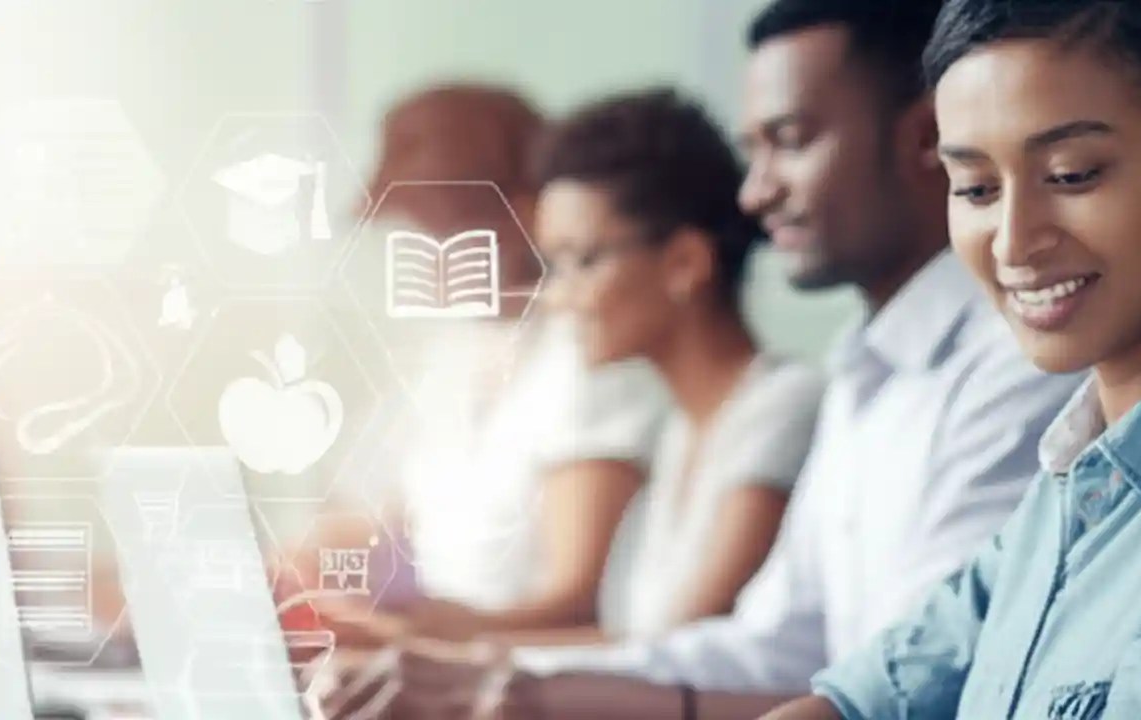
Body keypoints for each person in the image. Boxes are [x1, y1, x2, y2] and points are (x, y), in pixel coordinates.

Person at [316, 1, 1084, 718]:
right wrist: (495, 675)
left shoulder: (1018, 365)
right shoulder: (862, 370)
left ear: (924, 140)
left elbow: (914, 689)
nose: (756, 193)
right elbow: (773, 645)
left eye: (791, 140)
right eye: (754, 151)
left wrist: (517, 686)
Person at [769, 0, 1141, 717]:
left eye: (1070, 174)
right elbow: (872, 695)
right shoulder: (1073, 483)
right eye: (975, 188)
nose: (1012, 241)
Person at [313, 84, 670, 644]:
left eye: (438, 231)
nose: (418, 253)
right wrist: (301, 566)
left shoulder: (597, 362)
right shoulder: (455, 352)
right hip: (447, 658)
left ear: (526, 214)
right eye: (410, 231)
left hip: (524, 668)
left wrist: (410, 636)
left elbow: (574, 604)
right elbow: (377, 510)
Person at [532, 88, 822, 643]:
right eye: (553, 265)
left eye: (582, 261)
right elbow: (634, 646)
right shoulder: (679, 432)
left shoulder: (783, 409)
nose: (555, 297)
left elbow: (680, 647)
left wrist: (447, 654)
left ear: (685, 262)